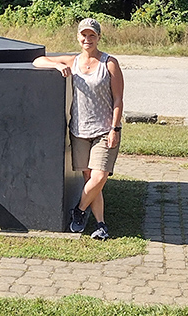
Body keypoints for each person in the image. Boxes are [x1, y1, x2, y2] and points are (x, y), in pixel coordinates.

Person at [32, 18, 124, 239]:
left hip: (104, 130)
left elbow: (118, 98)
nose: (87, 39)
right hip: (79, 130)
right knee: (89, 178)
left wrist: (115, 128)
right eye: (83, 35)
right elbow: (38, 60)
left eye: (92, 35)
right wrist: (57, 65)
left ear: (99, 37)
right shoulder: (73, 61)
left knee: (99, 176)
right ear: (78, 37)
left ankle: (79, 210)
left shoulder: (109, 63)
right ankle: (101, 225)